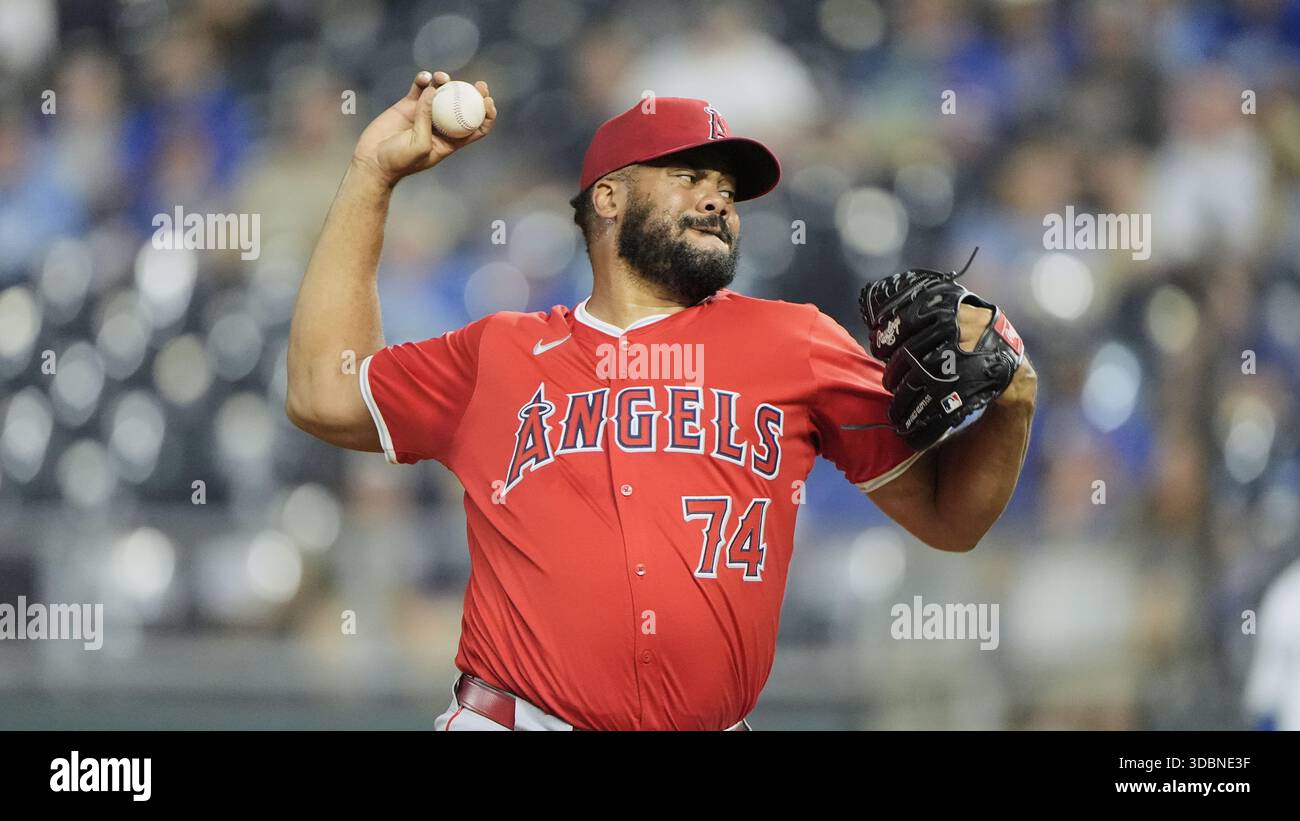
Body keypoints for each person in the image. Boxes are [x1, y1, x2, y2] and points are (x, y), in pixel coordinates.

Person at [286, 71, 1037, 730]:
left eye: (728, 188)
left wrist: (1014, 401)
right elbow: (321, 388)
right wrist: (371, 176)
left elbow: (950, 518)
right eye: (688, 174)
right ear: (607, 197)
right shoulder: (500, 352)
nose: (718, 198)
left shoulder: (797, 343)